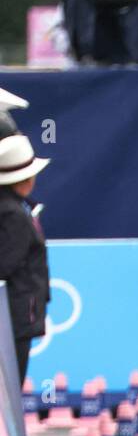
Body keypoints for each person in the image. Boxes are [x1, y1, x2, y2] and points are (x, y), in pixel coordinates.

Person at [0, 135, 50, 382]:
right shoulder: (13, 213)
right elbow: (5, 263)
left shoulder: (14, 208)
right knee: (12, 380)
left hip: (15, 309)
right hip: (14, 311)